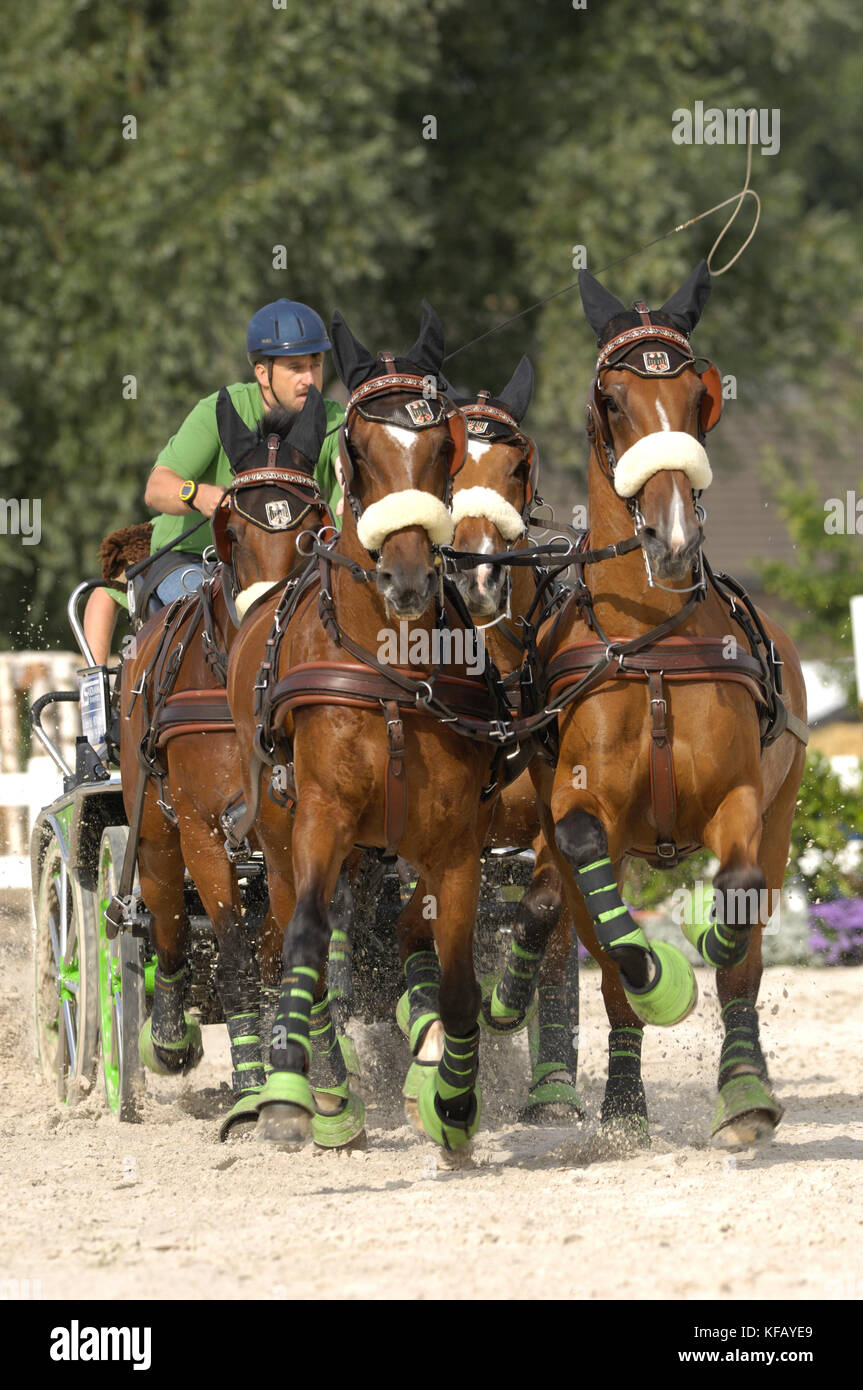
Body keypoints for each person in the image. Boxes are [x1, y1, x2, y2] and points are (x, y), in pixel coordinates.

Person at [143, 298, 345, 604]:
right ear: (263, 374)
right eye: (296, 367)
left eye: (315, 364)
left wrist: (351, 480)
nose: (309, 379)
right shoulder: (219, 410)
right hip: (193, 560)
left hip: (287, 567)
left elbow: (346, 459)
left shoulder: (331, 418)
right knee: (225, 620)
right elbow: (156, 489)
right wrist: (196, 495)